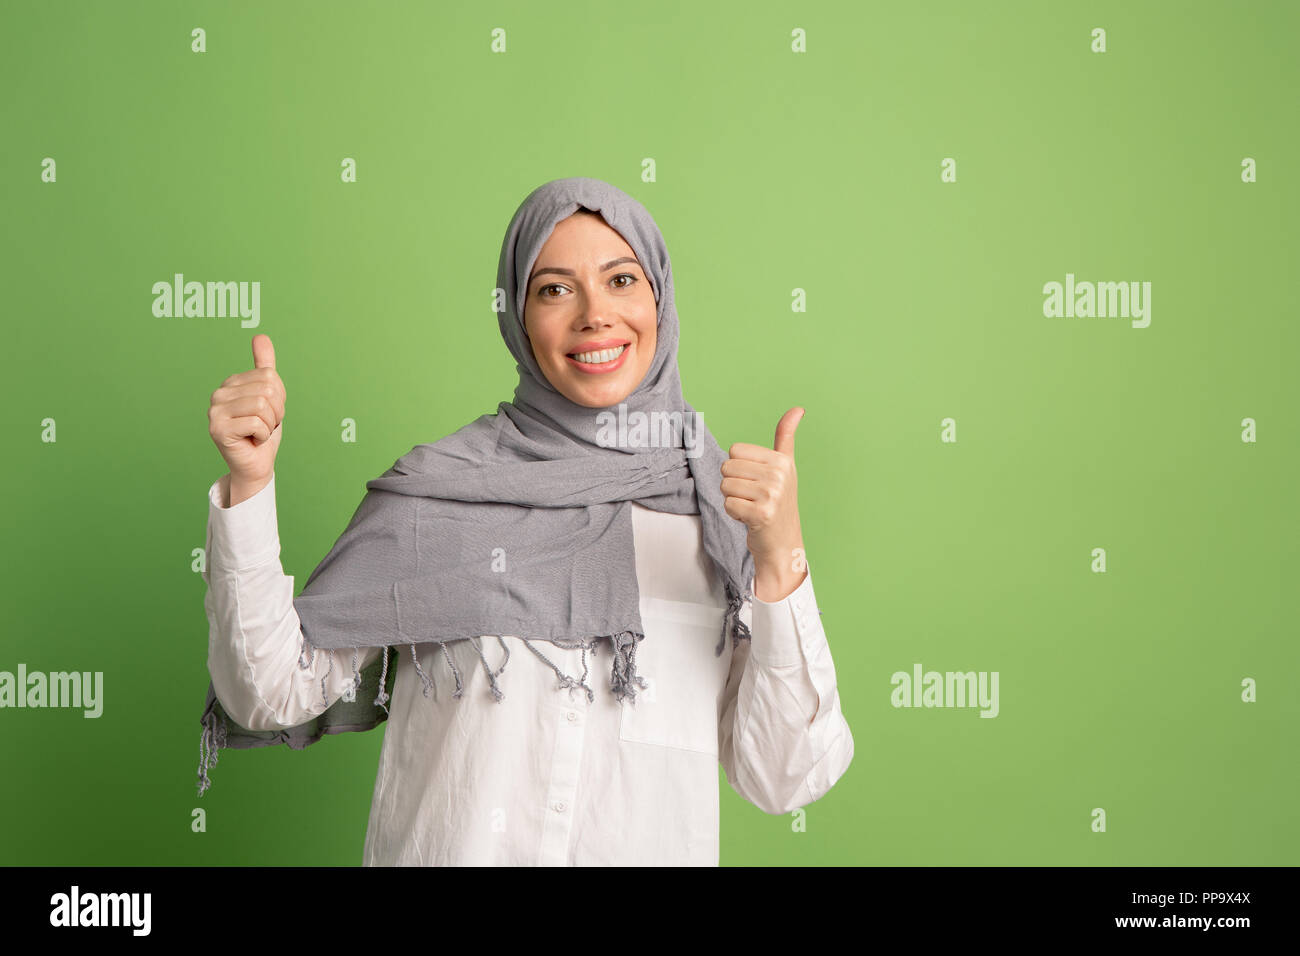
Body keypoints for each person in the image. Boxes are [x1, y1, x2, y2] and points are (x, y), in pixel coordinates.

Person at [197, 176, 854, 865]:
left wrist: (781, 563)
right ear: (517, 316)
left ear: (659, 296)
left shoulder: (721, 518)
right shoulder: (439, 495)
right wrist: (251, 483)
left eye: (622, 279)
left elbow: (785, 778)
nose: (595, 314)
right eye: (555, 288)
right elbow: (264, 692)